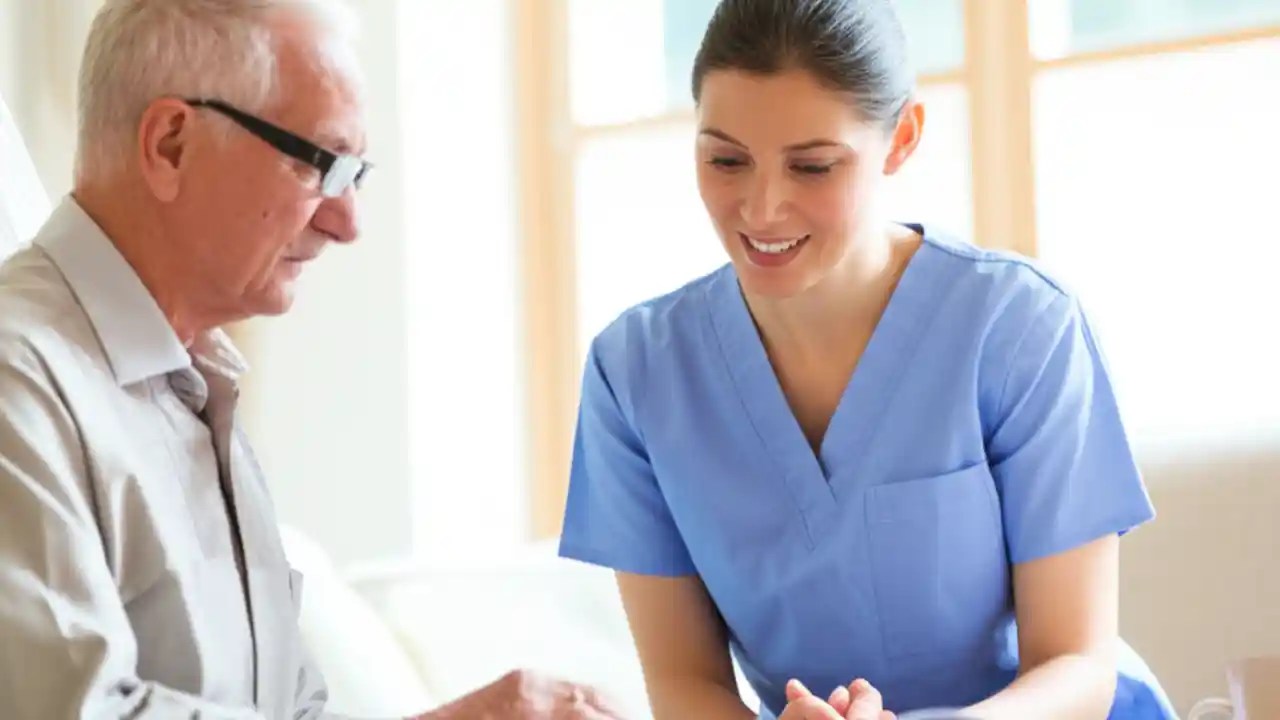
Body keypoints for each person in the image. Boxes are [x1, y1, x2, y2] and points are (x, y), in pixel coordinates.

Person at [557, 0, 1176, 718]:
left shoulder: (1018, 328)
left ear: (901, 138)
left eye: (813, 167)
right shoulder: (635, 374)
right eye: (726, 159)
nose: (762, 208)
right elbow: (683, 683)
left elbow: (1076, 662)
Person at [0, 1, 619, 719]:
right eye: (318, 164)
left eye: (358, 173)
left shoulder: (201, 393)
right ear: (170, 144)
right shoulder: (20, 381)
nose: (347, 221)